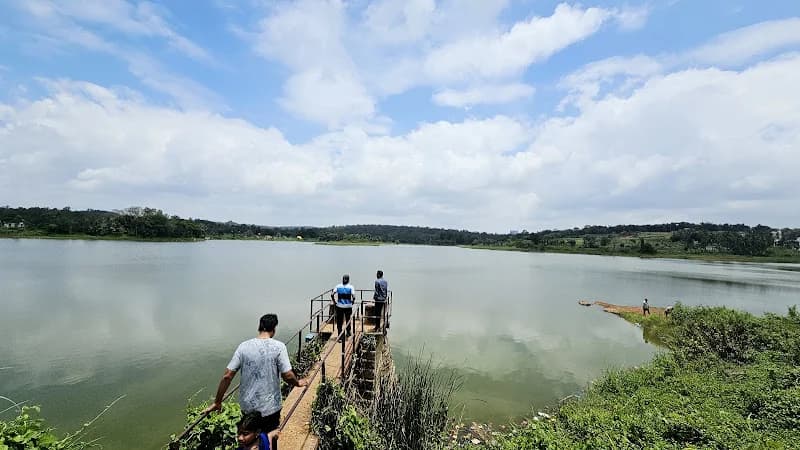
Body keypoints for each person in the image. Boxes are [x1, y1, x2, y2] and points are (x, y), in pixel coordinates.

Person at [205, 314, 308, 433]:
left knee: (249, 438)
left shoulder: (243, 347)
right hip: (270, 408)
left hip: (248, 408)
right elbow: (288, 375)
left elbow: (227, 376)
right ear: (274, 329)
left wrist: (217, 401)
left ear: (259, 327)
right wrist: (298, 383)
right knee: (269, 438)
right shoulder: (279, 347)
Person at [331, 274, 355, 340]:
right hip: (348, 306)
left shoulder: (338, 286)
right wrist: (352, 302)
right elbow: (354, 296)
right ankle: (348, 332)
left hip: (340, 307)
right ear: (348, 280)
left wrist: (334, 302)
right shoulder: (351, 287)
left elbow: (332, 294)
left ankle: (340, 335)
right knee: (348, 319)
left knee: (339, 321)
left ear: (342, 279)